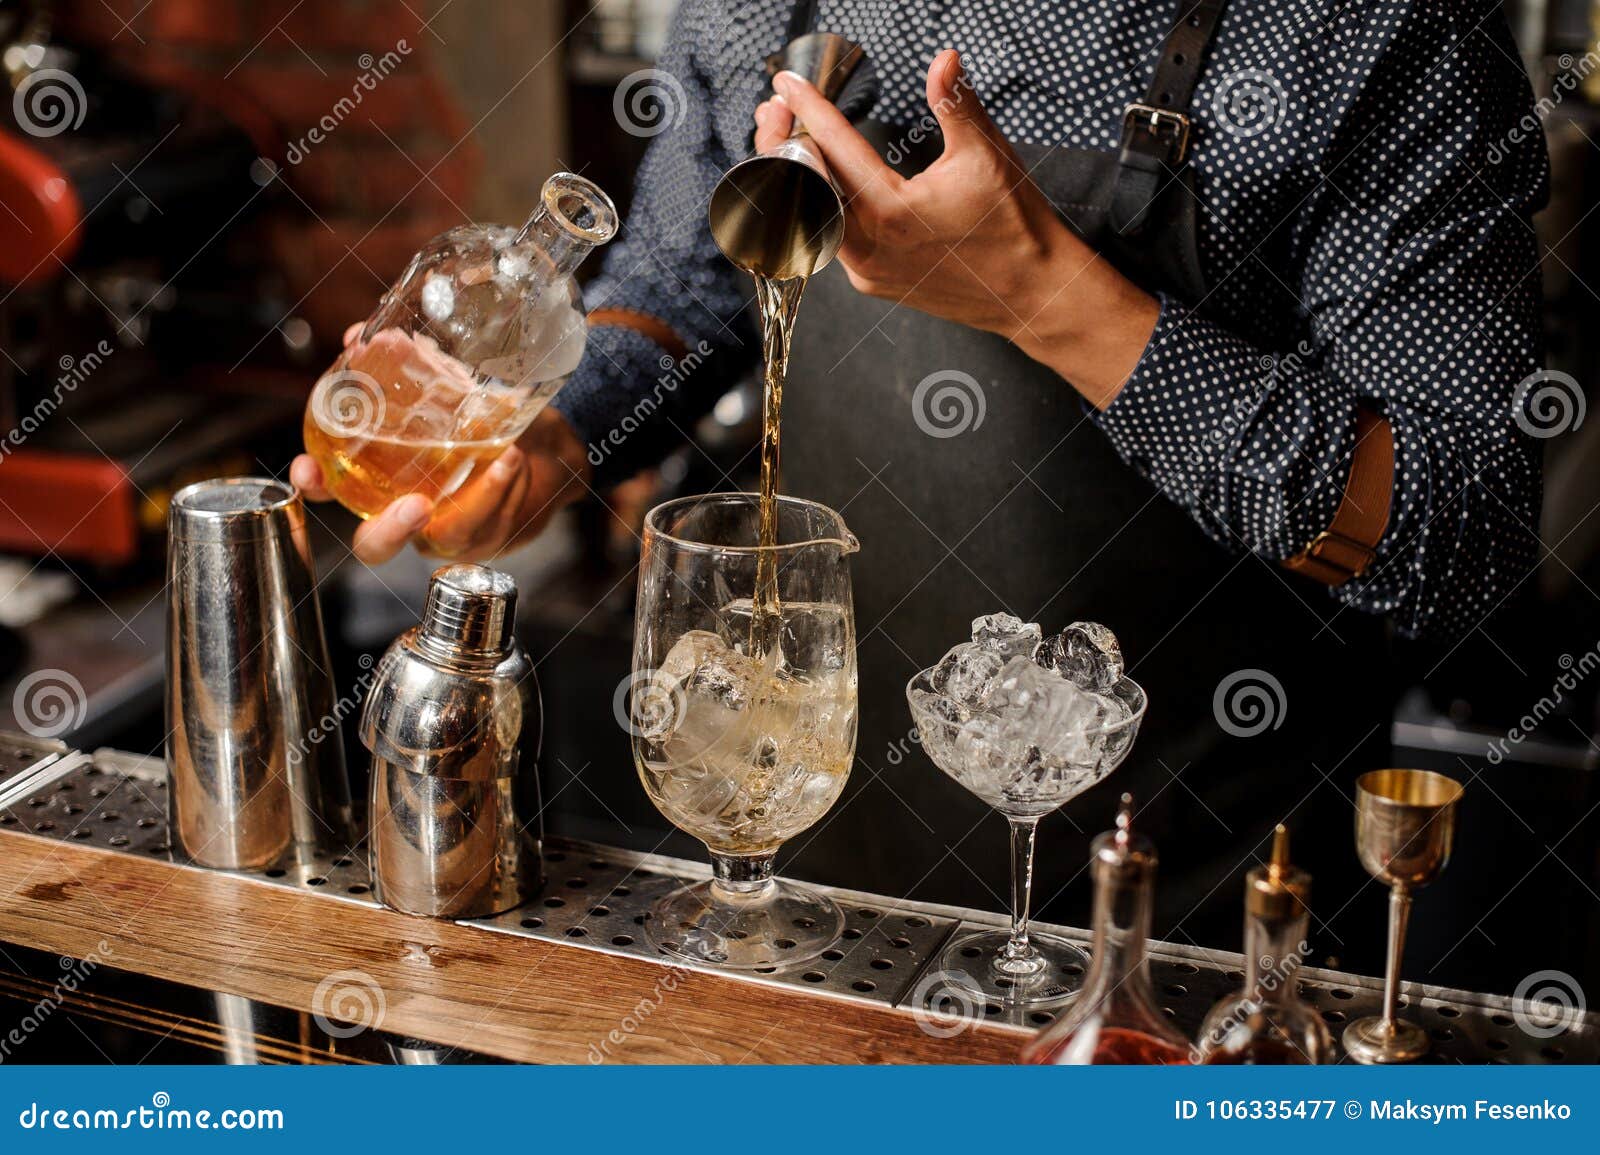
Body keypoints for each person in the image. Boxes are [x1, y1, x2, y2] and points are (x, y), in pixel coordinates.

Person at [292, 0, 1547, 960]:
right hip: (821, 853)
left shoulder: (1381, 29)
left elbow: (1458, 531)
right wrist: (553, 443)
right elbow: (685, 281)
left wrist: (1058, 304)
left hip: (1193, 904)